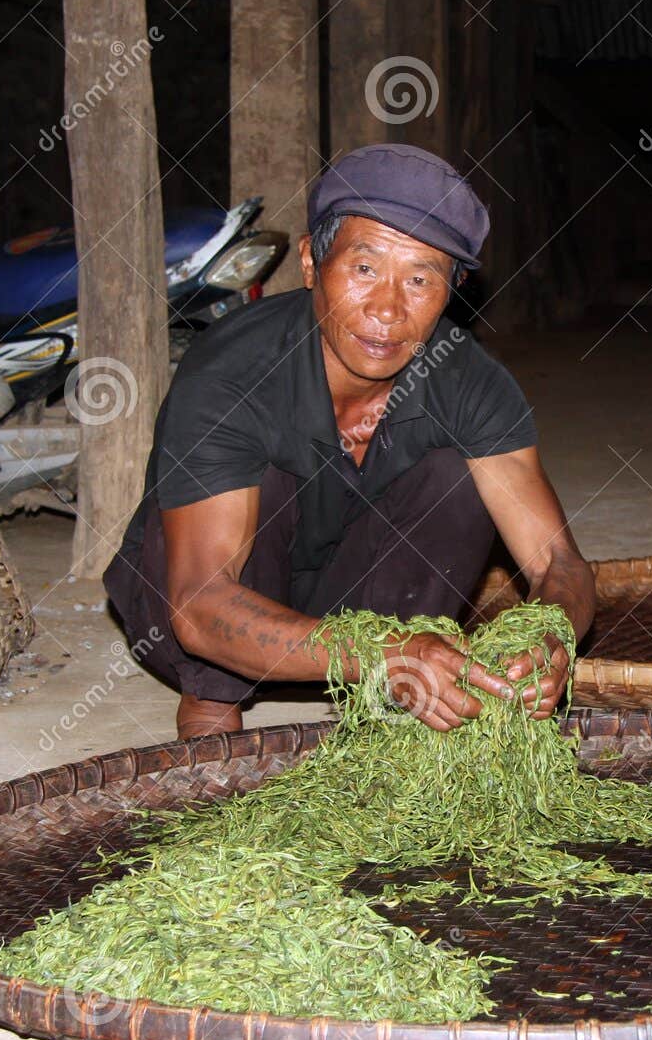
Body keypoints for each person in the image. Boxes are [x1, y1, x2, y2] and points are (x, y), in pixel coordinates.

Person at [104, 144, 596, 739]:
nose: (388, 309)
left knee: (458, 474)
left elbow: (558, 561)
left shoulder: (469, 379)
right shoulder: (232, 372)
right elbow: (200, 606)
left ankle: (392, 701)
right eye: (365, 269)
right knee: (266, 471)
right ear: (312, 262)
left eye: (421, 279)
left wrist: (551, 634)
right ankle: (212, 699)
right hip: (200, 614)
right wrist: (381, 654)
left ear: (454, 290)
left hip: (359, 619)